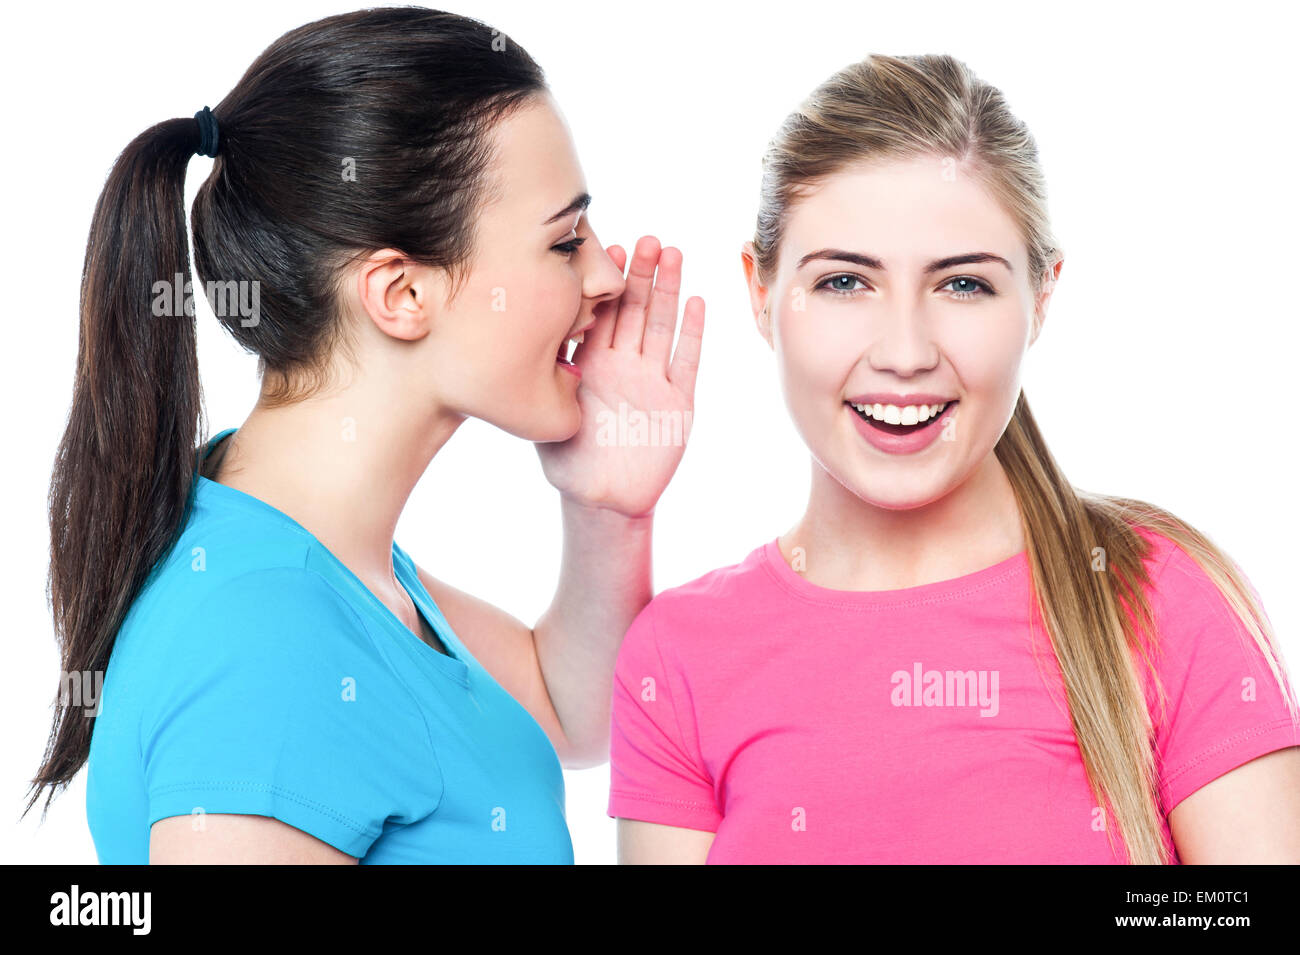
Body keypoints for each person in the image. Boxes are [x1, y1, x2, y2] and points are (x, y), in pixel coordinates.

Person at [29, 7, 704, 864]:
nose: (606, 275)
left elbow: (566, 708)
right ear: (401, 295)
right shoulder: (265, 636)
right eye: (565, 241)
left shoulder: (307, 546)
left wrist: (610, 507)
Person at [608, 53, 1300, 864]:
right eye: (843, 282)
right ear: (762, 293)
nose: (904, 353)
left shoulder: (1160, 599)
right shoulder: (678, 655)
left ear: (1041, 298)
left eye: (963, 285)